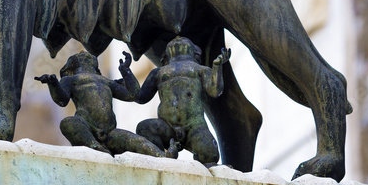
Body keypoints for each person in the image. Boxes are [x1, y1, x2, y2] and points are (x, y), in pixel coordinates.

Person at [36, 51, 178, 158]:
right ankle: (95, 146)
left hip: (110, 132)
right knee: (68, 123)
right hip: (88, 127)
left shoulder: (106, 81)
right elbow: (62, 100)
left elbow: (133, 95)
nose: (85, 55)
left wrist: (126, 71)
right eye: (81, 57)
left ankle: (162, 156)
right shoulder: (71, 79)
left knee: (137, 141)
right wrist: (53, 84)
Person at [134, 37, 229, 166]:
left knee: (210, 153)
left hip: (194, 127)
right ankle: (161, 157)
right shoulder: (158, 72)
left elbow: (215, 90)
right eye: (173, 42)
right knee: (144, 128)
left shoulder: (200, 69)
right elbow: (140, 97)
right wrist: (127, 75)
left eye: (184, 41)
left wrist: (217, 67)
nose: (178, 40)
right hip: (167, 127)